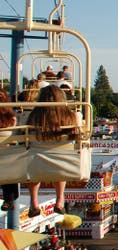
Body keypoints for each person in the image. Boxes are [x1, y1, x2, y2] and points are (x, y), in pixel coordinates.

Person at [26, 85, 81, 216]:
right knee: (59, 163)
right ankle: (60, 200)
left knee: (34, 167)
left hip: (36, 161)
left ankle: (34, 202)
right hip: (62, 162)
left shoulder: (33, 117)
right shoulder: (71, 117)